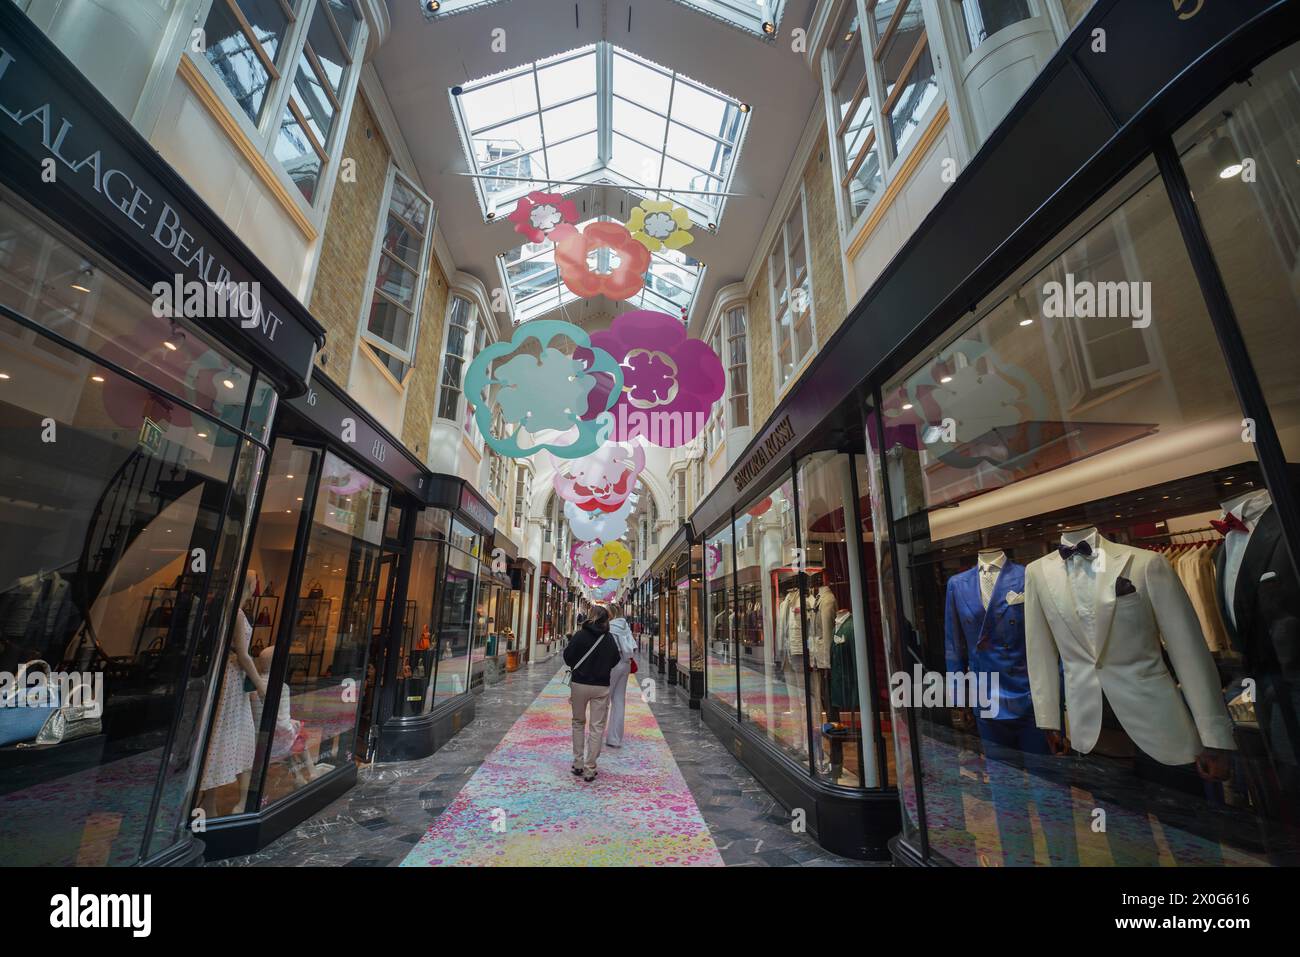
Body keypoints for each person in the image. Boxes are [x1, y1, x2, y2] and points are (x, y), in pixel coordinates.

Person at [563, 604, 620, 781]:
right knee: (597, 727)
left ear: (591, 616)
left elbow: (567, 657)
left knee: (578, 722)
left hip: (579, 684)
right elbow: (615, 660)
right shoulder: (609, 638)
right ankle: (590, 768)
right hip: (601, 686)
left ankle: (578, 762)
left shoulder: (580, 635)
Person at [605, 604, 637, 748]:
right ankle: (615, 738)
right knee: (619, 701)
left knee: (604, 699)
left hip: (613, 663)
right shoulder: (625, 626)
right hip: (626, 663)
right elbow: (633, 646)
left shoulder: (610, 627)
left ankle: (597, 734)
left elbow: (609, 648)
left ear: (610, 614)